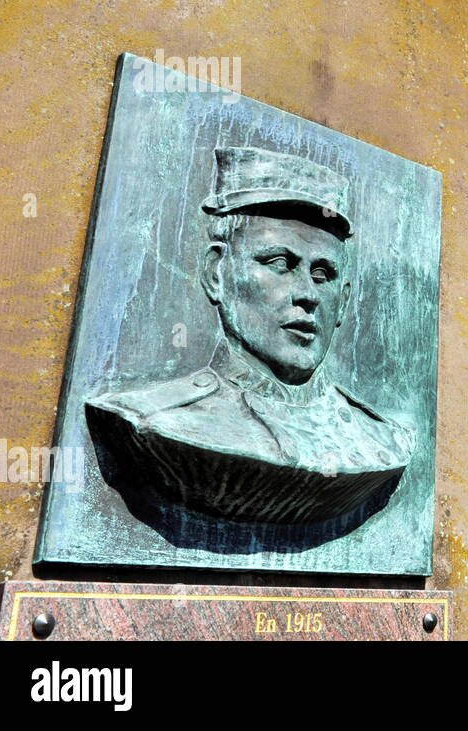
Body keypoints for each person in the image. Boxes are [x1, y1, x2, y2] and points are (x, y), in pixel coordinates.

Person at [85, 146, 413, 525]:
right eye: (279, 264)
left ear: (344, 300)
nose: (307, 294)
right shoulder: (152, 418)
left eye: (323, 275)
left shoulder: (381, 441)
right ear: (215, 273)